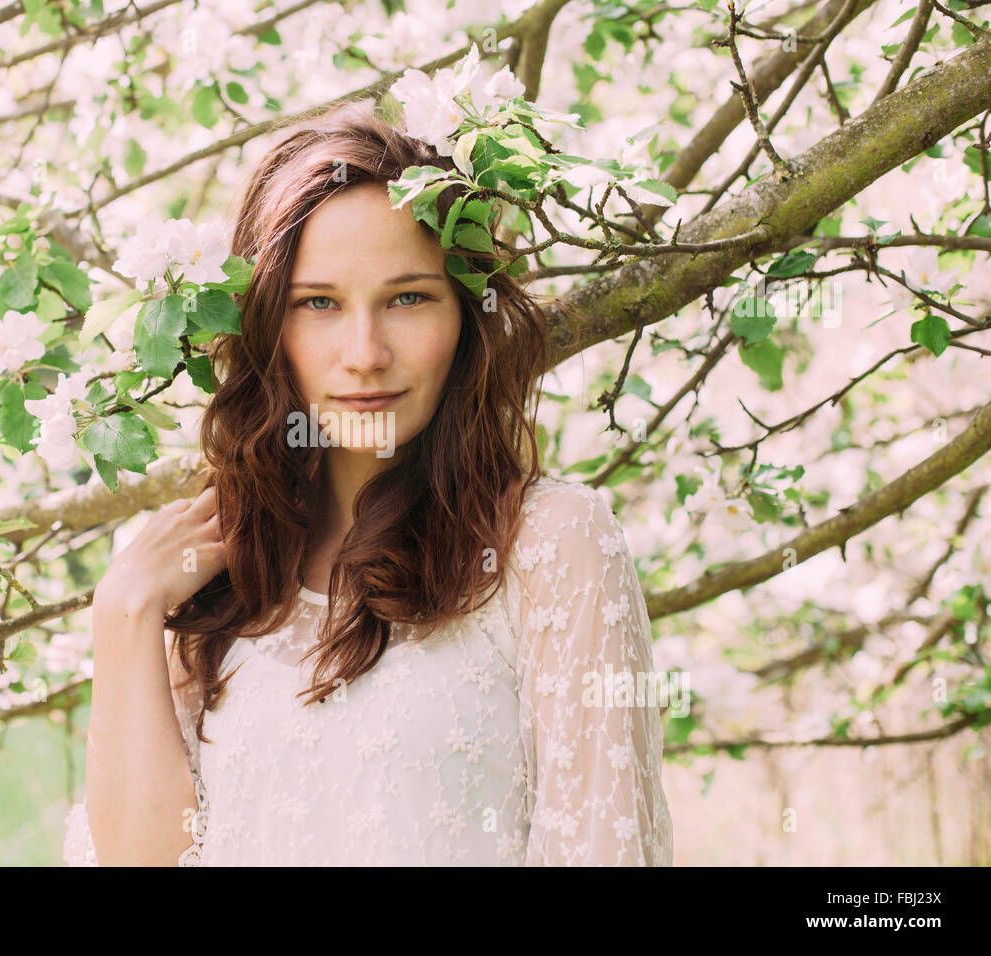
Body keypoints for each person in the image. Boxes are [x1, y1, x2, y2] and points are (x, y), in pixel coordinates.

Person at [63, 100, 673, 866]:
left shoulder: (551, 546)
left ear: (466, 317)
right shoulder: (208, 573)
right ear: (265, 329)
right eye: (318, 303)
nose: (365, 353)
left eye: (408, 298)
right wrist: (124, 615)